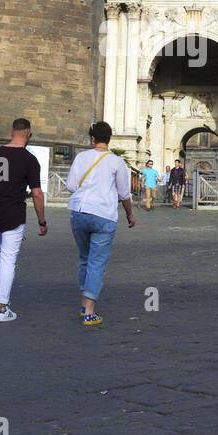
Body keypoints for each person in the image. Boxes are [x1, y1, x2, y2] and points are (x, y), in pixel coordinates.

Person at [0, 118, 47, 322]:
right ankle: (2, 307)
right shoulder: (29, 159)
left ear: (11, 132)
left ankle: (2, 300)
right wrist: (42, 221)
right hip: (13, 212)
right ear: (29, 134)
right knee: (8, 258)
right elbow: (37, 193)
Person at [66, 122, 134, 327]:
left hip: (79, 212)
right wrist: (130, 214)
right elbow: (124, 193)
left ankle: (83, 301)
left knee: (84, 258)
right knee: (97, 262)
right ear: (109, 139)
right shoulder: (116, 162)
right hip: (104, 215)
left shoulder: (81, 157)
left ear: (92, 139)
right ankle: (89, 311)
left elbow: (70, 186)